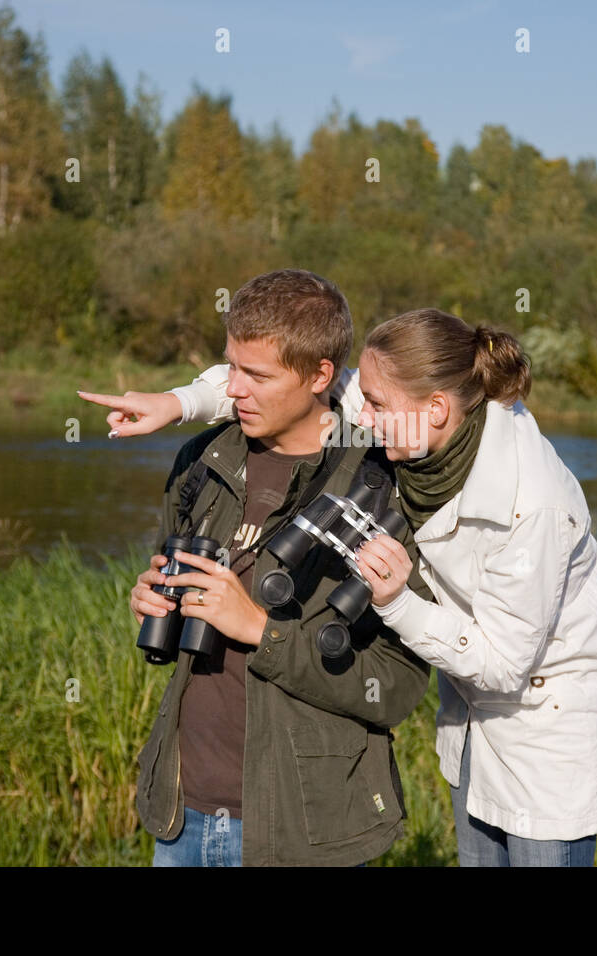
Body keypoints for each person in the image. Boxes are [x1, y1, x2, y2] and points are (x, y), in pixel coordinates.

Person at [83, 307, 597, 867]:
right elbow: (281, 373)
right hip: (472, 710)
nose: (359, 415)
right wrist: (175, 403)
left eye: (377, 406)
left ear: (435, 410)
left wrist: (395, 601)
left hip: (546, 718)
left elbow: (506, 664)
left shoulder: (532, 505)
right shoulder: (416, 417)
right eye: (361, 397)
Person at [83, 270, 431, 866]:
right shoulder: (202, 459)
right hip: (182, 808)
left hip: (303, 828)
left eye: (258, 376)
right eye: (231, 367)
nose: (233, 389)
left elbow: (396, 686)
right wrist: (152, 598)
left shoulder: (383, 487)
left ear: (321, 376)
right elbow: (178, 583)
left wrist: (259, 631)